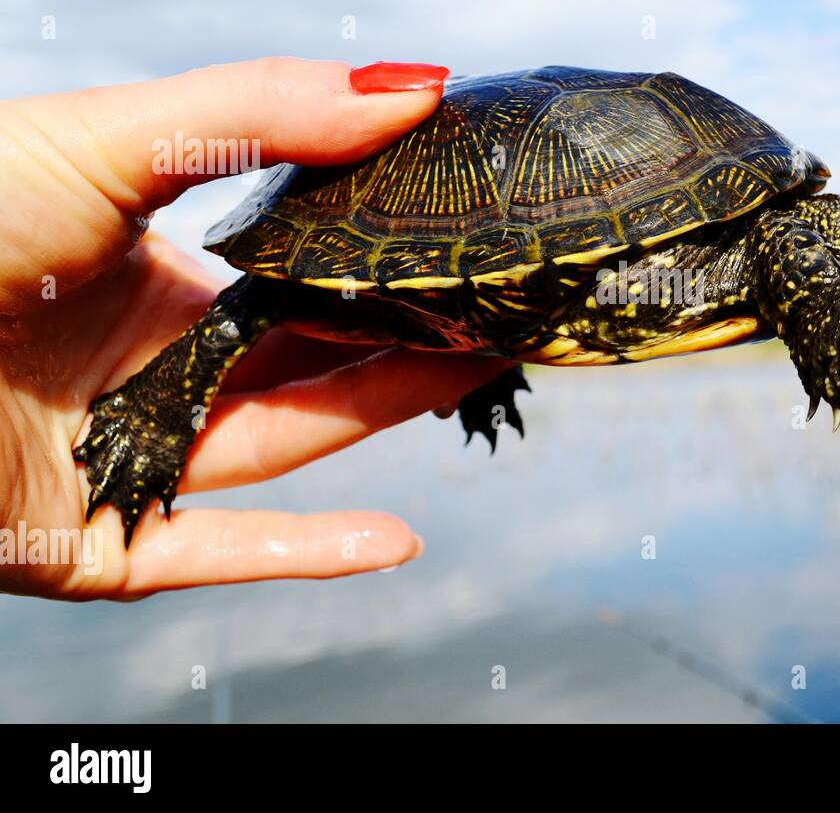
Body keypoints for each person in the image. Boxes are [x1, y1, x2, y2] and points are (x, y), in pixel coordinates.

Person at [0, 58, 509, 601]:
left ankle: (489, 363)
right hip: (373, 245)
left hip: (481, 308)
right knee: (258, 302)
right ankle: (149, 414)